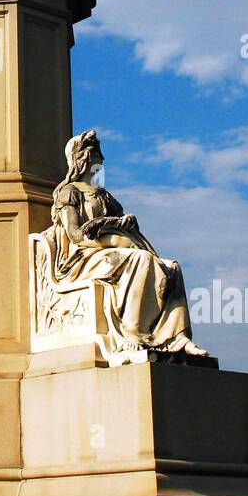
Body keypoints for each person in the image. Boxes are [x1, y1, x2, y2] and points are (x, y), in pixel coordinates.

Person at [45, 129, 208, 356]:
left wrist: (125, 222)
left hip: (112, 249)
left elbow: (121, 219)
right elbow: (74, 234)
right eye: (96, 154)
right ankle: (134, 330)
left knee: (172, 267)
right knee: (139, 259)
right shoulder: (68, 192)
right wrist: (108, 240)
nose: (101, 159)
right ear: (82, 159)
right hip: (83, 256)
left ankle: (177, 336)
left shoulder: (102, 194)